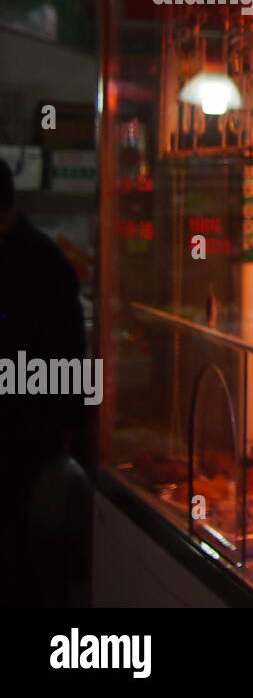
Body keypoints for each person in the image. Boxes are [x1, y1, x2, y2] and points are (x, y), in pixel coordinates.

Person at [0, 158, 89, 604]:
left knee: (26, 551)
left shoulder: (43, 263)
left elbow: (72, 348)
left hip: (27, 434)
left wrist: (67, 425)